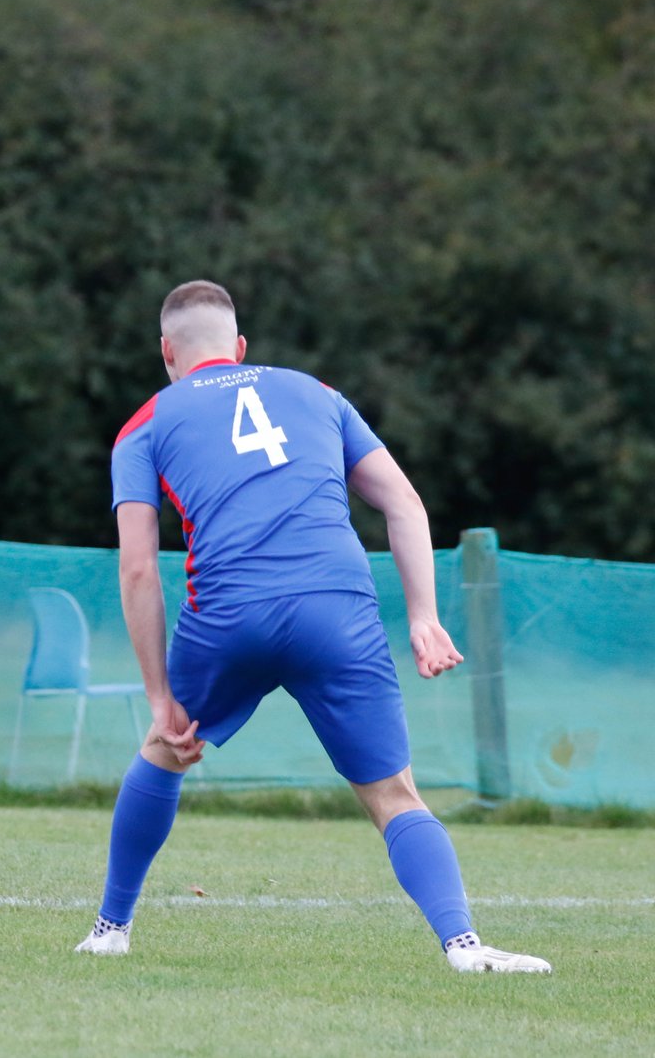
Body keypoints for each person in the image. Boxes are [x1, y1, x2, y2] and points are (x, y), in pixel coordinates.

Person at [77, 280, 550, 974]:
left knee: (166, 751)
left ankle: (110, 928)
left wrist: (160, 699)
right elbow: (404, 503)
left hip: (230, 613)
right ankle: (464, 945)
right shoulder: (319, 394)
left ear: (166, 353)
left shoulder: (144, 424)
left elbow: (140, 571)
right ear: (240, 347)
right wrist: (423, 616)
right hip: (338, 606)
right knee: (395, 795)